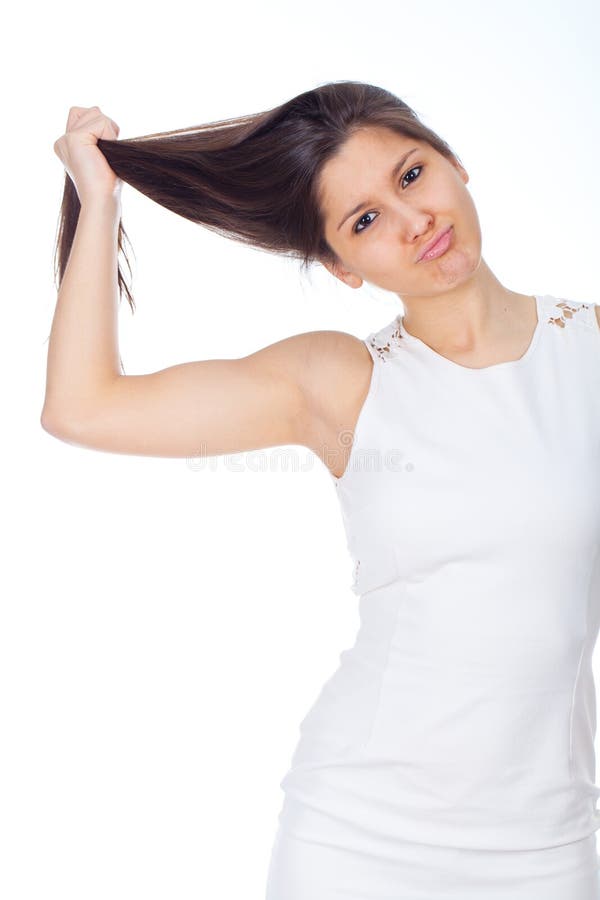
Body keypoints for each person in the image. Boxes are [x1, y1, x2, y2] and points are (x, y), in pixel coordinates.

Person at [44, 82, 600, 898]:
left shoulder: (589, 350)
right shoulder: (340, 383)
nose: (414, 222)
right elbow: (82, 408)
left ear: (455, 162)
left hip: (547, 848)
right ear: (342, 266)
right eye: (364, 220)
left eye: (411, 176)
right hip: (361, 839)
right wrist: (98, 201)